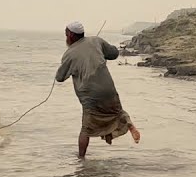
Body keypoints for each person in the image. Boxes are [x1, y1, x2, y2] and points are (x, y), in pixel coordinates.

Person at [55, 21, 141, 158]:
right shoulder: (96, 40)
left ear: (70, 35)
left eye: (66, 34)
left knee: (86, 129)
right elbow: (114, 54)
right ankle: (130, 125)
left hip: (90, 95)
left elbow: (59, 78)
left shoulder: (69, 54)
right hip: (108, 88)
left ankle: (81, 159)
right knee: (117, 111)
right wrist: (102, 51)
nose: (66, 37)